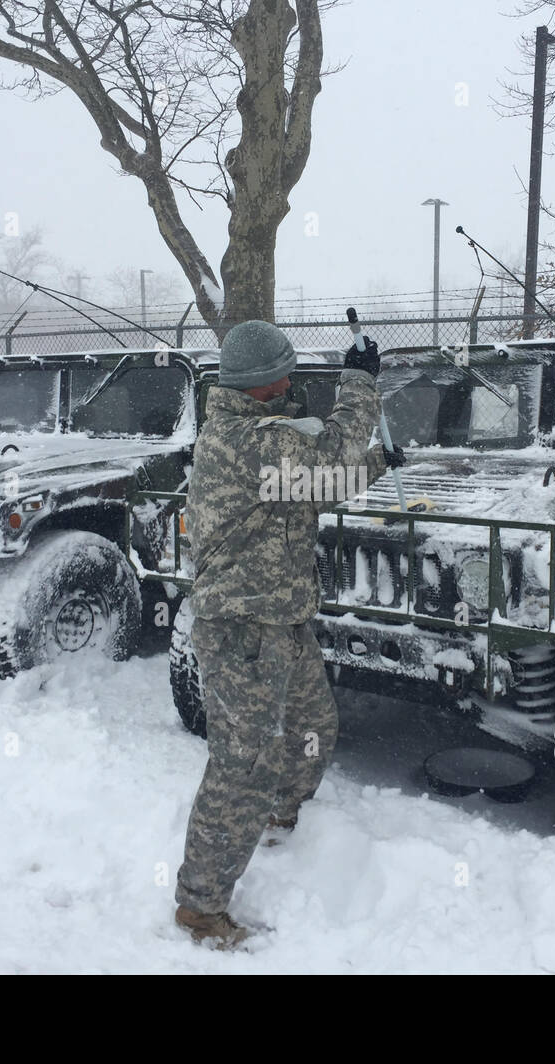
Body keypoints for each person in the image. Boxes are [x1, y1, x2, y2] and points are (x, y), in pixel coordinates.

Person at [174, 320, 402, 948]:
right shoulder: (251, 440)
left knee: (311, 726)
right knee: (241, 764)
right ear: (267, 382)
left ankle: (279, 813)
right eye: (289, 369)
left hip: (280, 614)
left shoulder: (261, 435)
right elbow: (326, 459)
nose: (295, 376)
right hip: (243, 624)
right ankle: (201, 906)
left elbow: (317, 484)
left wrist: (381, 461)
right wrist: (359, 383)